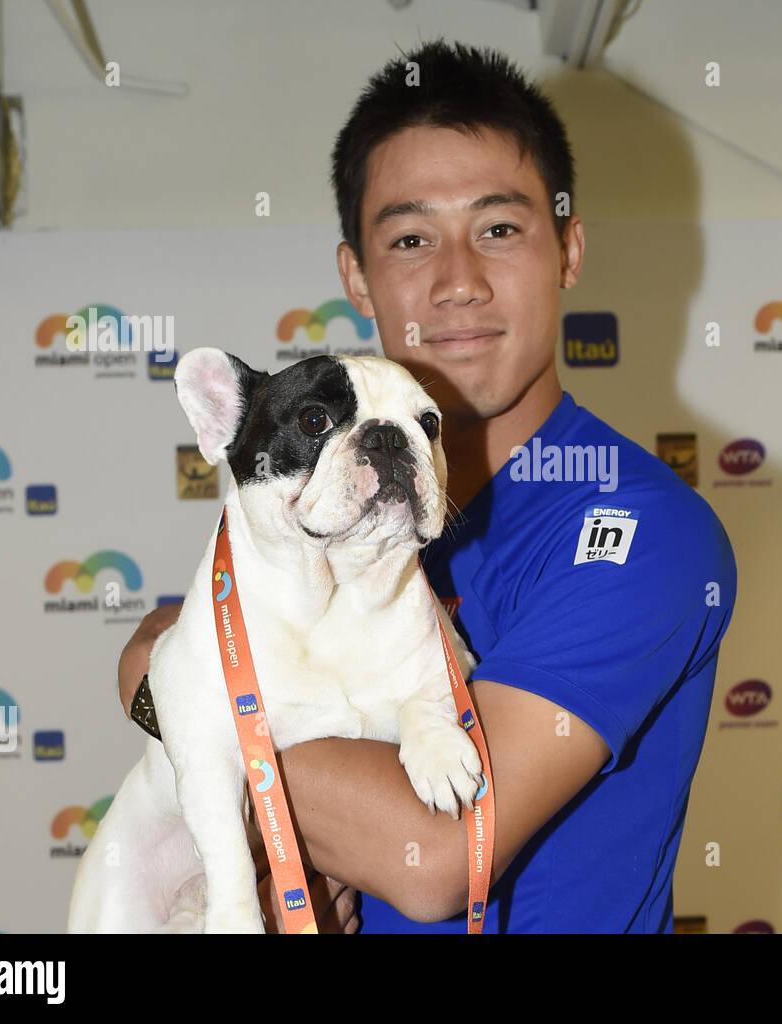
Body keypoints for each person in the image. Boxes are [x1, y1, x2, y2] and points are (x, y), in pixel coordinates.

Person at [116, 38, 737, 933]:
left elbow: (442, 855)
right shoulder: (329, 507)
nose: (457, 283)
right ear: (356, 277)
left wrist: (161, 684)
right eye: (411, 239)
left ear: (569, 249)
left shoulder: (638, 527)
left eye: (499, 228)